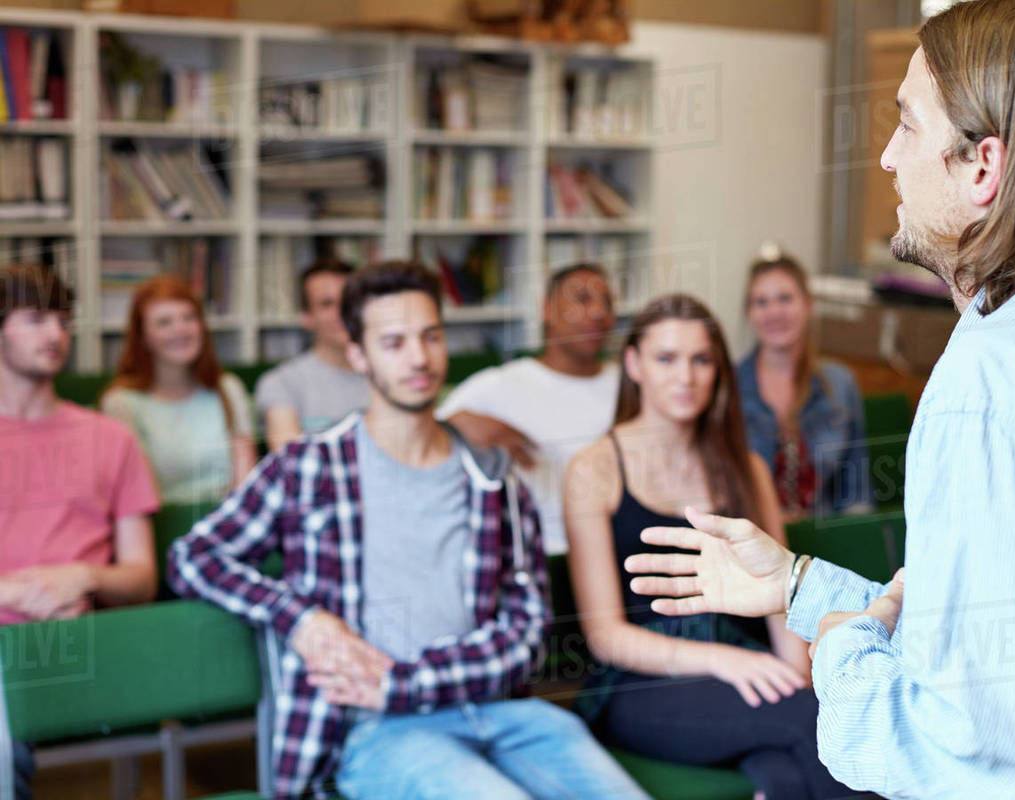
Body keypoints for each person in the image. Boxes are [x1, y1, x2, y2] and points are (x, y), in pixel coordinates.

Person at [626, 1, 1015, 797]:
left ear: (982, 167)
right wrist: (799, 587)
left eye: (906, 124)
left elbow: (998, 761)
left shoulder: (1000, 384)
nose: (889, 158)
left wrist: (840, 655)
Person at [168, 261, 648, 800]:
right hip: (375, 730)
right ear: (358, 355)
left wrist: (406, 681)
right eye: (393, 342)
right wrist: (300, 618)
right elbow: (194, 557)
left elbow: (528, 630)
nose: (418, 358)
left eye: (431, 337)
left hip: (500, 713)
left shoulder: (492, 479)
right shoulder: (310, 466)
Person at [563, 294, 863, 800]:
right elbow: (605, 637)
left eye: (701, 360)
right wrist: (721, 661)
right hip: (641, 682)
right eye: (666, 359)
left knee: (795, 761)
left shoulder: (747, 467)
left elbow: (780, 600)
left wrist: (798, 675)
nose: (686, 377)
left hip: (746, 666)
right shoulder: (593, 470)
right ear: (633, 364)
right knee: (818, 728)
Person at [0, 264, 159, 800]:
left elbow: (142, 580)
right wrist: (17, 591)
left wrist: (82, 576)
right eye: (37, 318)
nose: (55, 335)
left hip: (79, 646)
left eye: (64, 321)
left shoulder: (111, 438)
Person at [439, 263, 619, 555]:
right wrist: (459, 426)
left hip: (617, 550)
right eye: (583, 299)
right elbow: (422, 434)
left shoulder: (633, 384)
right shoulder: (500, 384)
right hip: (536, 555)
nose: (599, 312)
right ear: (546, 309)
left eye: (607, 303)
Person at [738, 245, 873, 518]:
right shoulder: (728, 386)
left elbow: (857, 492)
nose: (774, 312)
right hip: (751, 540)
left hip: (822, 544)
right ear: (749, 313)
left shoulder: (840, 384)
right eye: (761, 302)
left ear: (808, 305)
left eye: (785, 298)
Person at [100, 275, 255, 505]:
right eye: (164, 322)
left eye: (189, 318)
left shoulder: (228, 389)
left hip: (229, 529)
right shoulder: (120, 404)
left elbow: (246, 487)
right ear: (142, 337)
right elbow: (135, 496)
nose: (180, 329)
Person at [255, 257, 368, 451]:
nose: (342, 312)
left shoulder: (394, 374)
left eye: (348, 301)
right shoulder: (281, 383)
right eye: (327, 304)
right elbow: (292, 466)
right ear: (306, 317)